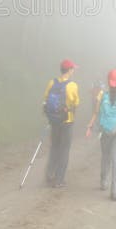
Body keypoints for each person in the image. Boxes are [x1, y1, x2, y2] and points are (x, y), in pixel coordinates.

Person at [86, 69, 116, 201]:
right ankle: (115, 192)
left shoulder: (101, 94)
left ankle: (103, 182)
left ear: (108, 81)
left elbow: (96, 113)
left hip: (105, 130)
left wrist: (90, 126)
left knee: (105, 156)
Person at [42, 59, 80, 188]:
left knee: (54, 147)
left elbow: (46, 99)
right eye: (73, 69)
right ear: (69, 70)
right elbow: (76, 103)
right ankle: (59, 180)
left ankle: (50, 173)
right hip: (67, 121)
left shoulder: (52, 82)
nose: (73, 70)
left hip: (54, 120)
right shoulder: (73, 85)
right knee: (64, 150)